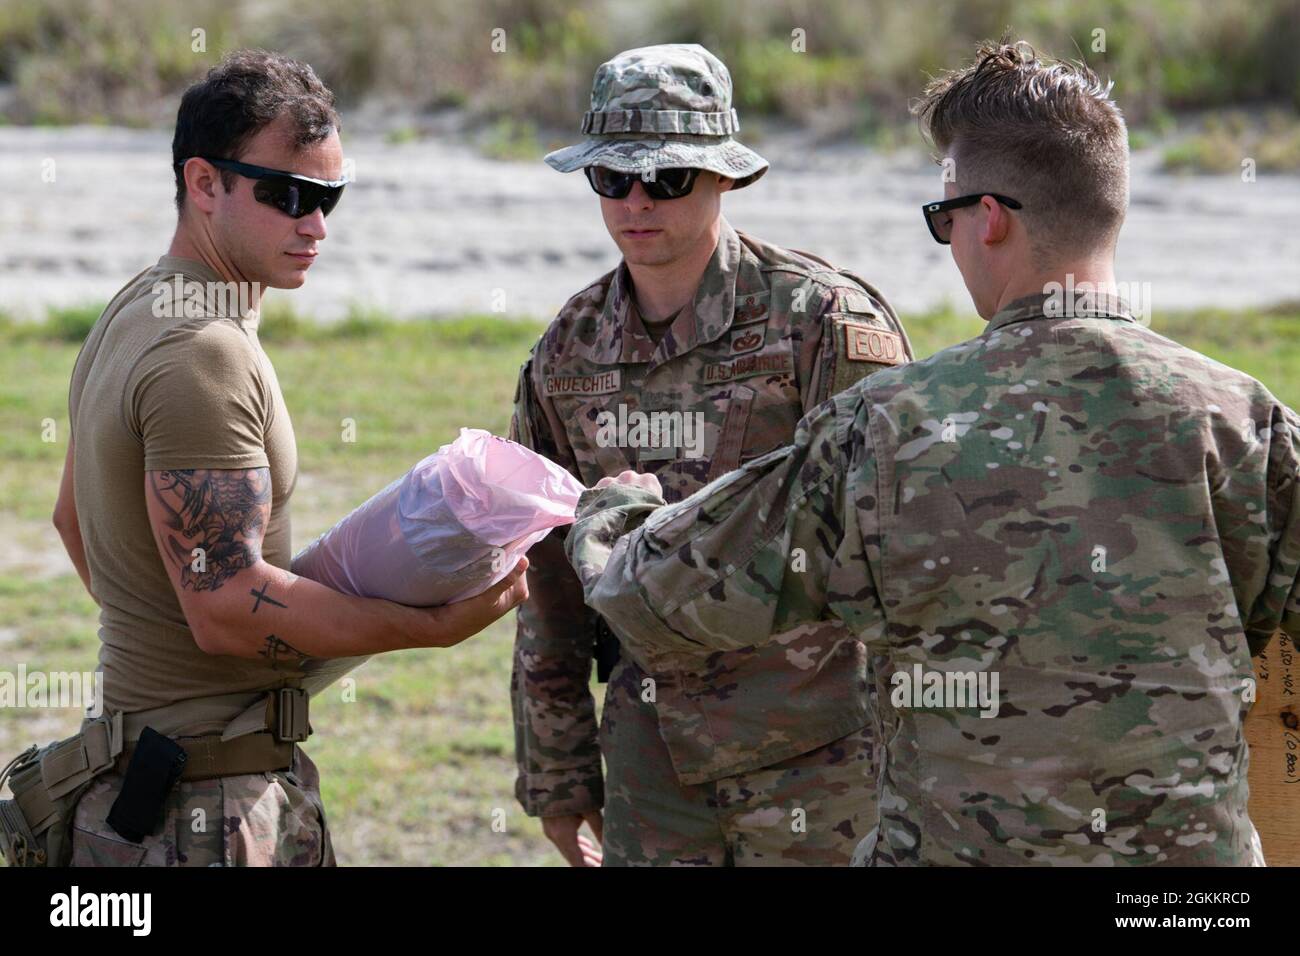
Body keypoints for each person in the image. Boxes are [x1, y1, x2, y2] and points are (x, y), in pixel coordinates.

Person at [565, 39, 1299, 865]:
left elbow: (656, 593)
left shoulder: (884, 428)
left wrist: (617, 513)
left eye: (942, 219)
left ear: (988, 219)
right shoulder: (1249, 423)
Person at [10, 50, 527, 868]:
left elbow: (73, 520)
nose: (314, 224)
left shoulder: (139, 305)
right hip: (202, 802)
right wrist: (427, 629)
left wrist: (167, 640)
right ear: (203, 183)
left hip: (156, 774)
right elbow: (225, 605)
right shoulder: (202, 353)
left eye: (329, 198)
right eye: (286, 195)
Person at [510, 43, 912, 867]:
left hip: (818, 753)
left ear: (724, 177)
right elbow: (545, 574)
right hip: (649, 754)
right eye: (610, 179)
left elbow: (903, 547)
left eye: (666, 179)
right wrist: (558, 771)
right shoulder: (570, 350)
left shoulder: (822, 323)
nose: (635, 201)